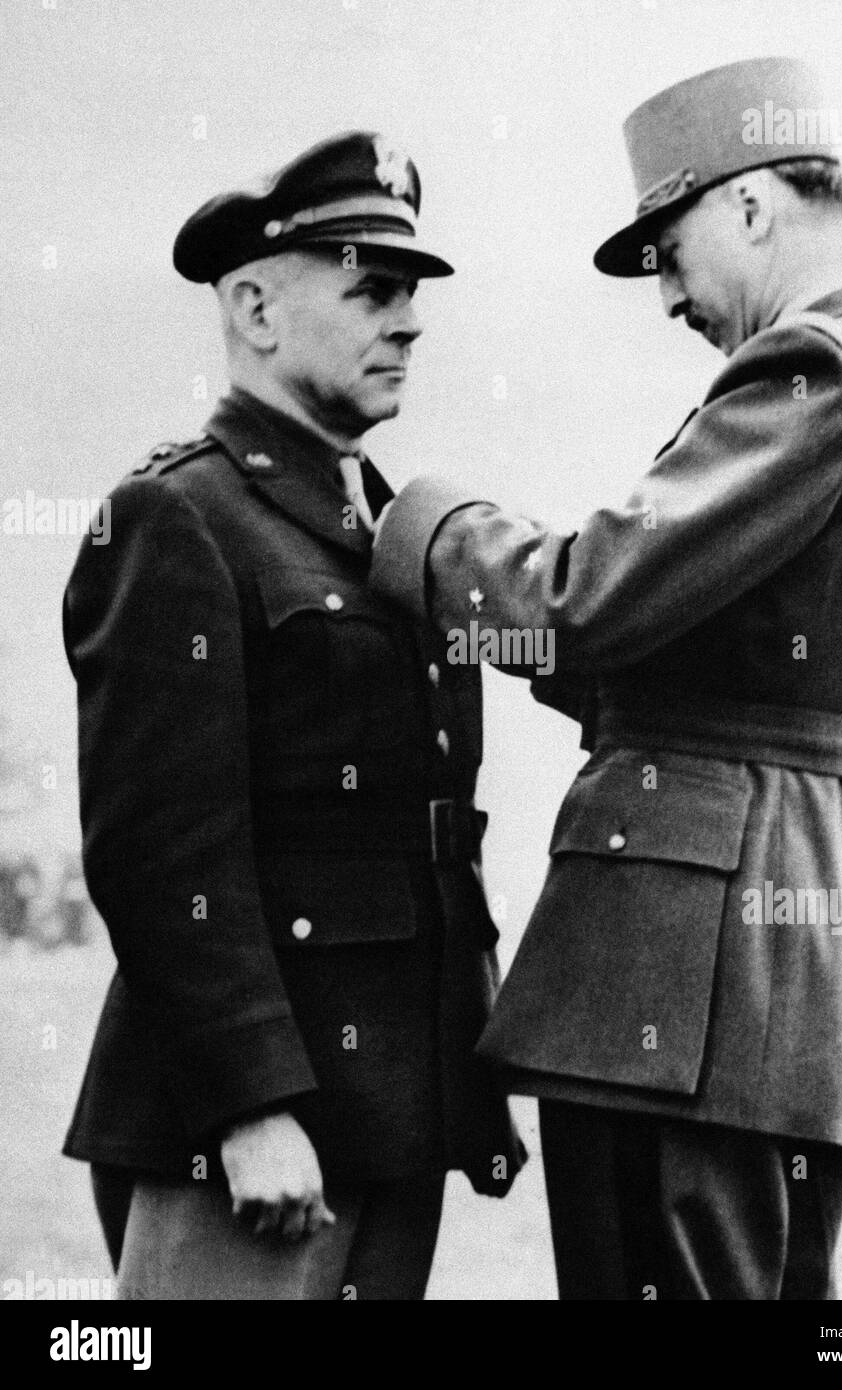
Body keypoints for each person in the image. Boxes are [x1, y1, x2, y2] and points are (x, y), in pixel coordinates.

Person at [369, 58, 842, 1299]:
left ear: (752, 206)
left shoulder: (811, 370)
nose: (668, 296)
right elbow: (697, 671)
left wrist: (419, 524)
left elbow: (581, 598)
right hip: (797, 969)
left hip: (683, 978)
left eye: (670, 243)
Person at [62, 132, 524, 1301]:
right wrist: (250, 1107)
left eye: (413, 293)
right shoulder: (180, 519)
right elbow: (164, 855)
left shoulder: (395, 529)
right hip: (254, 1136)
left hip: (392, 1119)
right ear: (257, 309)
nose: (410, 321)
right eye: (374, 288)